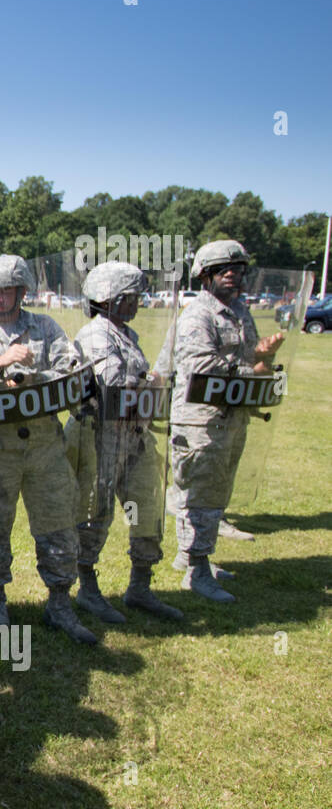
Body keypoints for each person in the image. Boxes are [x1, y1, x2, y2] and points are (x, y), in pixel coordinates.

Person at [0, 254, 98, 644]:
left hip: (45, 447)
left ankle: (60, 602)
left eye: (5, 291)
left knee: (57, 524)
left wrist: (34, 378)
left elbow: (75, 374)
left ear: (22, 291)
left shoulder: (45, 327)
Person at [163, 239, 282, 603]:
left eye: (239, 269)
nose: (234, 276)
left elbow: (249, 357)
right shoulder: (198, 316)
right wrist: (255, 367)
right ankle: (198, 571)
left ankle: (190, 558)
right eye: (224, 270)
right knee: (199, 495)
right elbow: (201, 368)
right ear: (205, 276)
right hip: (201, 422)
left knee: (216, 492)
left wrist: (264, 359)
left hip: (233, 417)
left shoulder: (241, 312)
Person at [64, 262, 183, 621]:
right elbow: (114, 383)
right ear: (109, 299)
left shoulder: (126, 335)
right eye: (130, 297)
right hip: (99, 439)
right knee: (94, 516)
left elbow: (140, 383)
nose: (137, 304)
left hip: (136, 438)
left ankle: (140, 588)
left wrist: (151, 383)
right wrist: (151, 382)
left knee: (146, 512)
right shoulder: (97, 335)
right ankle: (87, 589)